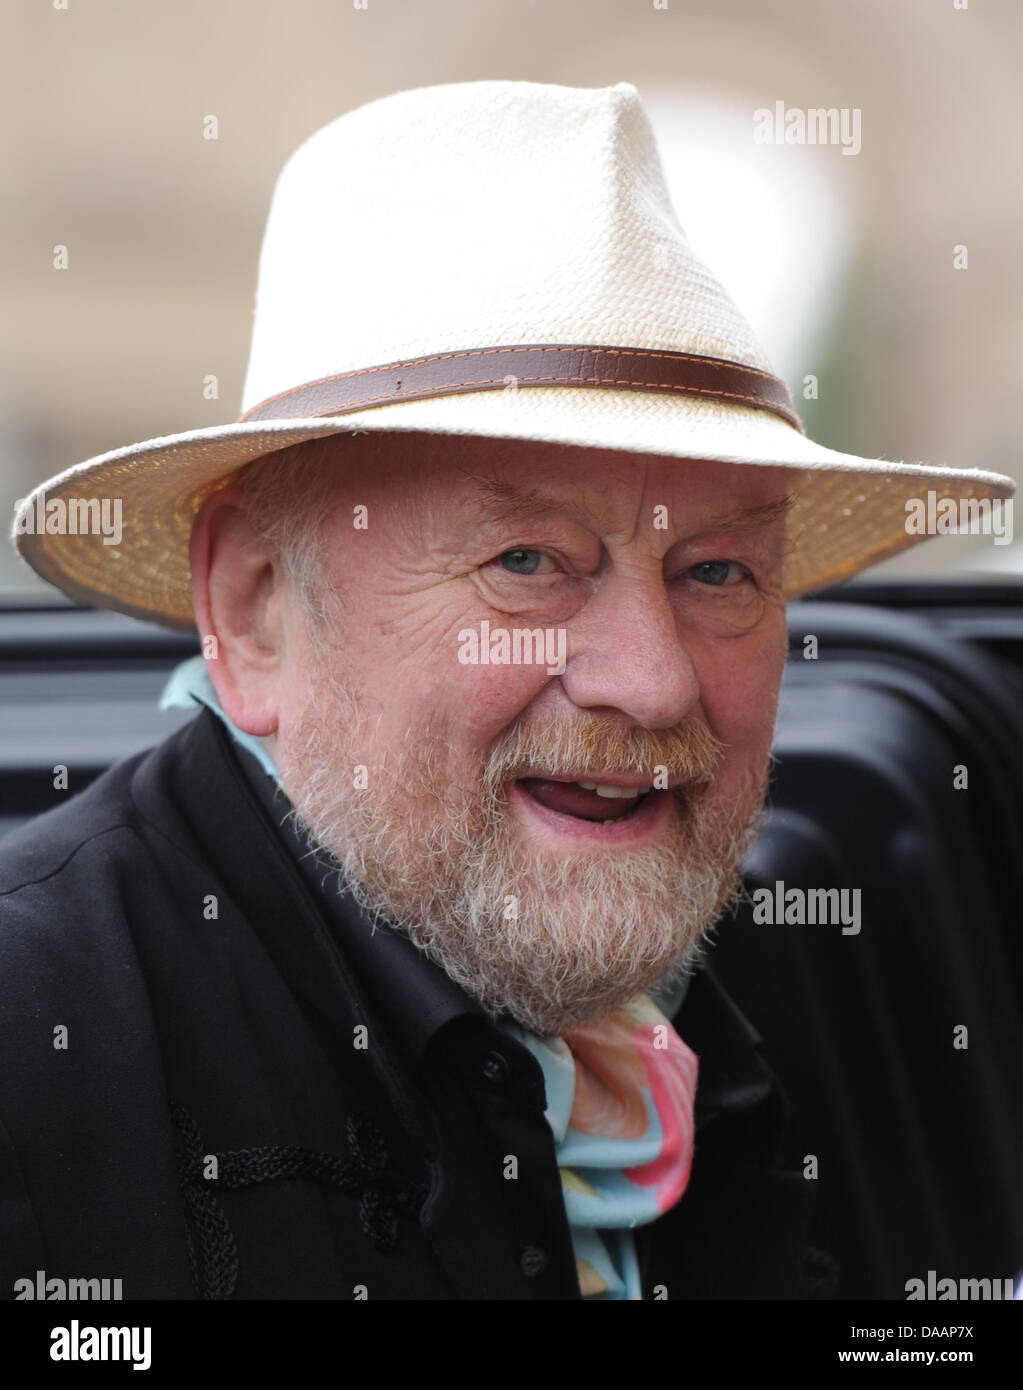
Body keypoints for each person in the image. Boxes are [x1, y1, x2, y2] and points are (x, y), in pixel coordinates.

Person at [2, 79, 1012, 1301]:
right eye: (528, 561)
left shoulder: (744, 1022)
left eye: (719, 570)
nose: (650, 681)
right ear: (258, 608)